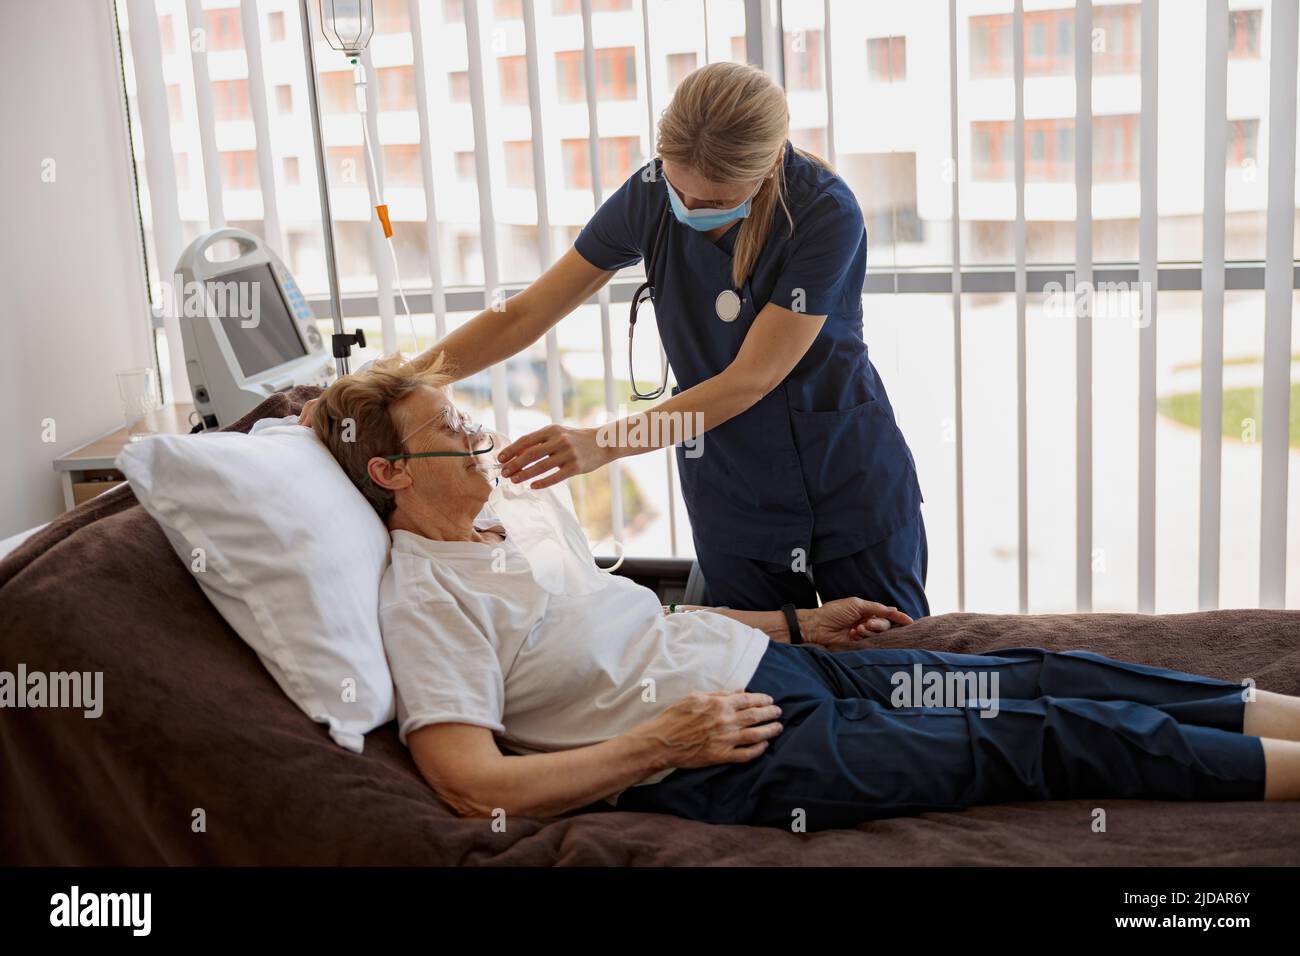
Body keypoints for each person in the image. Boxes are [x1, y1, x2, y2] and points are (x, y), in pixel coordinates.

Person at [303, 358, 1300, 832]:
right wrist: (661, 744)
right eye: (454, 430)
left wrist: (794, 621)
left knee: (1023, 677)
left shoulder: (506, 524)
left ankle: (1276, 717)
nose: (481, 439)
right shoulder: (425, 599)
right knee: (1037, 737)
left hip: (787, 668)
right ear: (390, 472)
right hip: (740, 747)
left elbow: (649, 625)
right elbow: (470, 780)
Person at [387, 61, 929, 619]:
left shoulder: (823, 211)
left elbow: (750, 380)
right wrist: (400, 381)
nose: (690, 211)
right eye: (679, 191)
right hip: (733, 486)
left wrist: (603, 442)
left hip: (845, 475)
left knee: (886, 654)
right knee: (768, 677)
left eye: (714, 203)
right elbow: (523, 314)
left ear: (769, 166)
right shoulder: (649, 194)